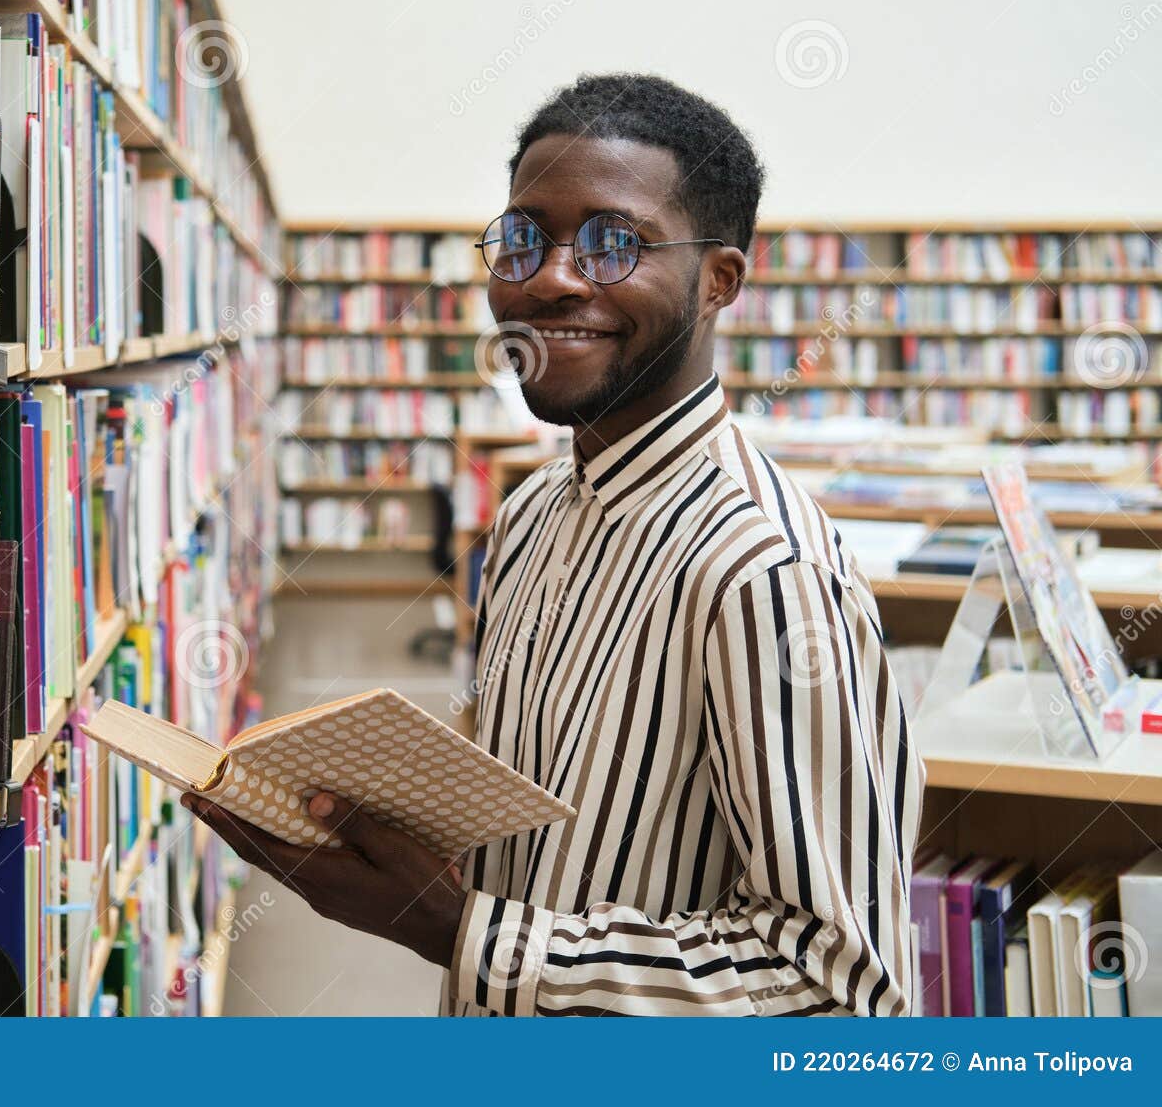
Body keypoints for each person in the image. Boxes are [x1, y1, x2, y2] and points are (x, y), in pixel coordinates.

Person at [184, 73, 921, 1016]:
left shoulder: (765, 575)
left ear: (719, 280)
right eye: (525, 236)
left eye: (617, 244)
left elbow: (840, 987)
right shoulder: (530, 514)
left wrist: (453, 928)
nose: (550, 277)